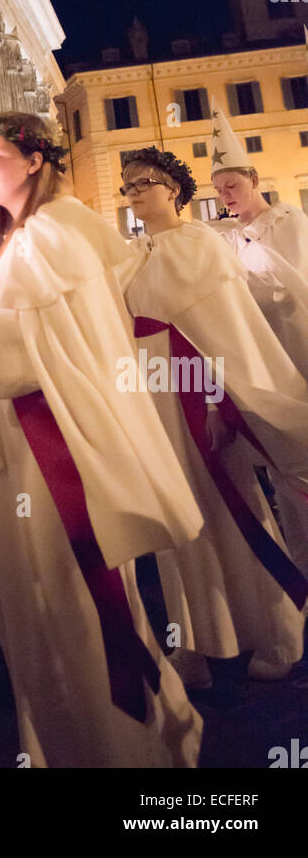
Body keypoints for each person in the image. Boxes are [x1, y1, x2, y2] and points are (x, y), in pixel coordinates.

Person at [0, 112, 204, 768]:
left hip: (61, 442)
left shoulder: (65, 228)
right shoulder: (2, 240)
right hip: (7, 447)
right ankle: (64, 746)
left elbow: (80, 337)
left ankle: (139, 748)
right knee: (29, 610)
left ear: (35, 160)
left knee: (77, 600)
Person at [120, 147, 308, 687]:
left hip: (197, 394)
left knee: (232, 505)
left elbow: (225, 330)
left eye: (145, 182)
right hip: (154, 395)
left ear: (175, 189)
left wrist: (213, 402)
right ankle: (198, 642)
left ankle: (280, 630)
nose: (133, 191)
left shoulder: (201, 243)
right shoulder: (132, 254)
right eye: (127, 186)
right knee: (176, 520)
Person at [207, 97, 308, 572]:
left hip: (295, 340)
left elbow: (295, 280)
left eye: (232, 185)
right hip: (258, 351)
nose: (226, 194)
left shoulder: (287, 220)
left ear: (254, 181)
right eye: (219, 188)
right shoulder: (223, 235)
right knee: (276, 453)